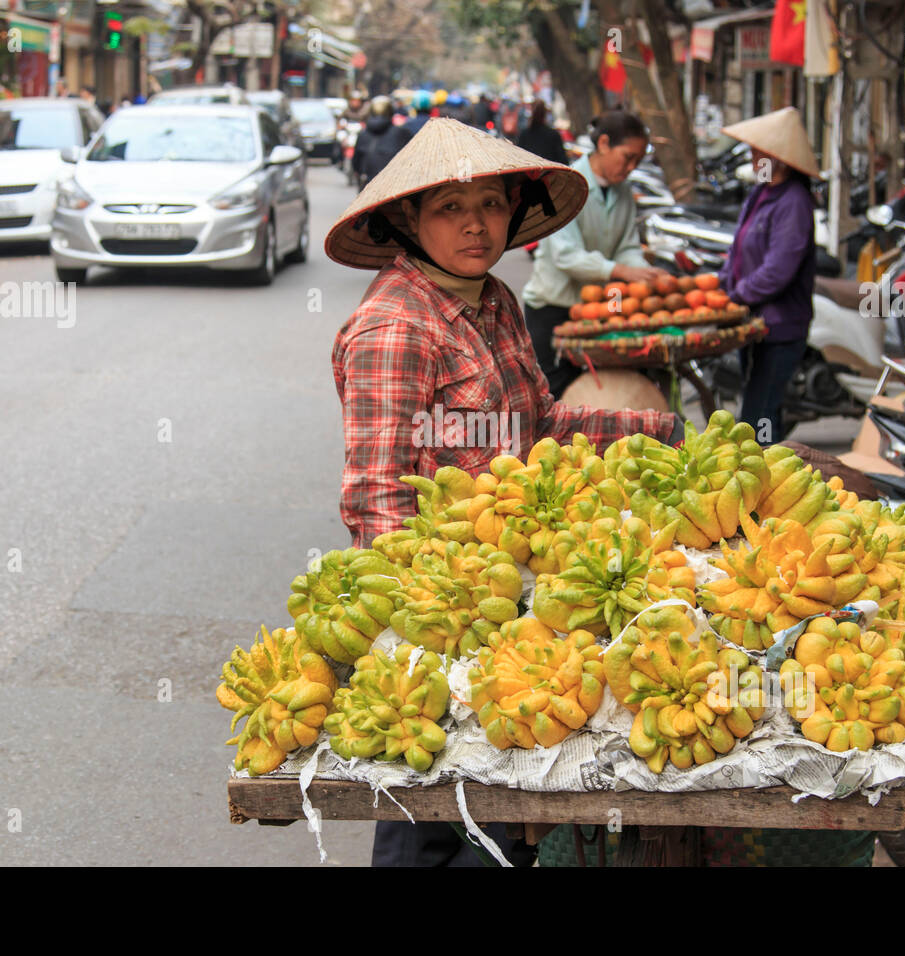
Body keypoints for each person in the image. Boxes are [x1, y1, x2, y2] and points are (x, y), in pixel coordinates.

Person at [324, 118, 689, 866]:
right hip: (443, 604)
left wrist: (664, 431)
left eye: (490, 205)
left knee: (498, 808)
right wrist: (418, 637)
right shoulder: (396, 327)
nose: (475, 224)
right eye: (450, 209)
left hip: (510, 589)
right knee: (423, 805)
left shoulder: (493, 299)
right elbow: (377, 500)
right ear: (407, 221)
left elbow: (540, 426)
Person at [521, 109, 667, 397]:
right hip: (553, 308)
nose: (631, 167)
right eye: (628, 157)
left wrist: (641, 272)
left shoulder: (623, 192)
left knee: (598, 392)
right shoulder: (565, 184)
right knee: (554, 394)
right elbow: (566, 255)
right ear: (603, 144)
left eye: (638, 161)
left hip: (600, 309)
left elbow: (626, 246)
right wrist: (622, 271)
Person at [717, 106, 819, 444]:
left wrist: (736, 295)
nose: (751, 157)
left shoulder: (794, 201)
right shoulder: (760, 192)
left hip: (780, 327)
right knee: (757, 407)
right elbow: (737, 251)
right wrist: (722, 285)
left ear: (778, 157)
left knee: (759, 413)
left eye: (757, 152)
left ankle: (767, 476)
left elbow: (779, 269)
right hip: (756, 325)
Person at [351, 96, 412, 190]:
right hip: (395, 186)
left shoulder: (362, 134)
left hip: (368, 185)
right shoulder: (402, 133)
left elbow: (356, 163)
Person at [516, 100, 567, 165]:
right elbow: (563, 161)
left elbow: (518, 158)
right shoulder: (553, 135)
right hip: (549, 172)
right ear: (545, 114)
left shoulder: (524, 134)